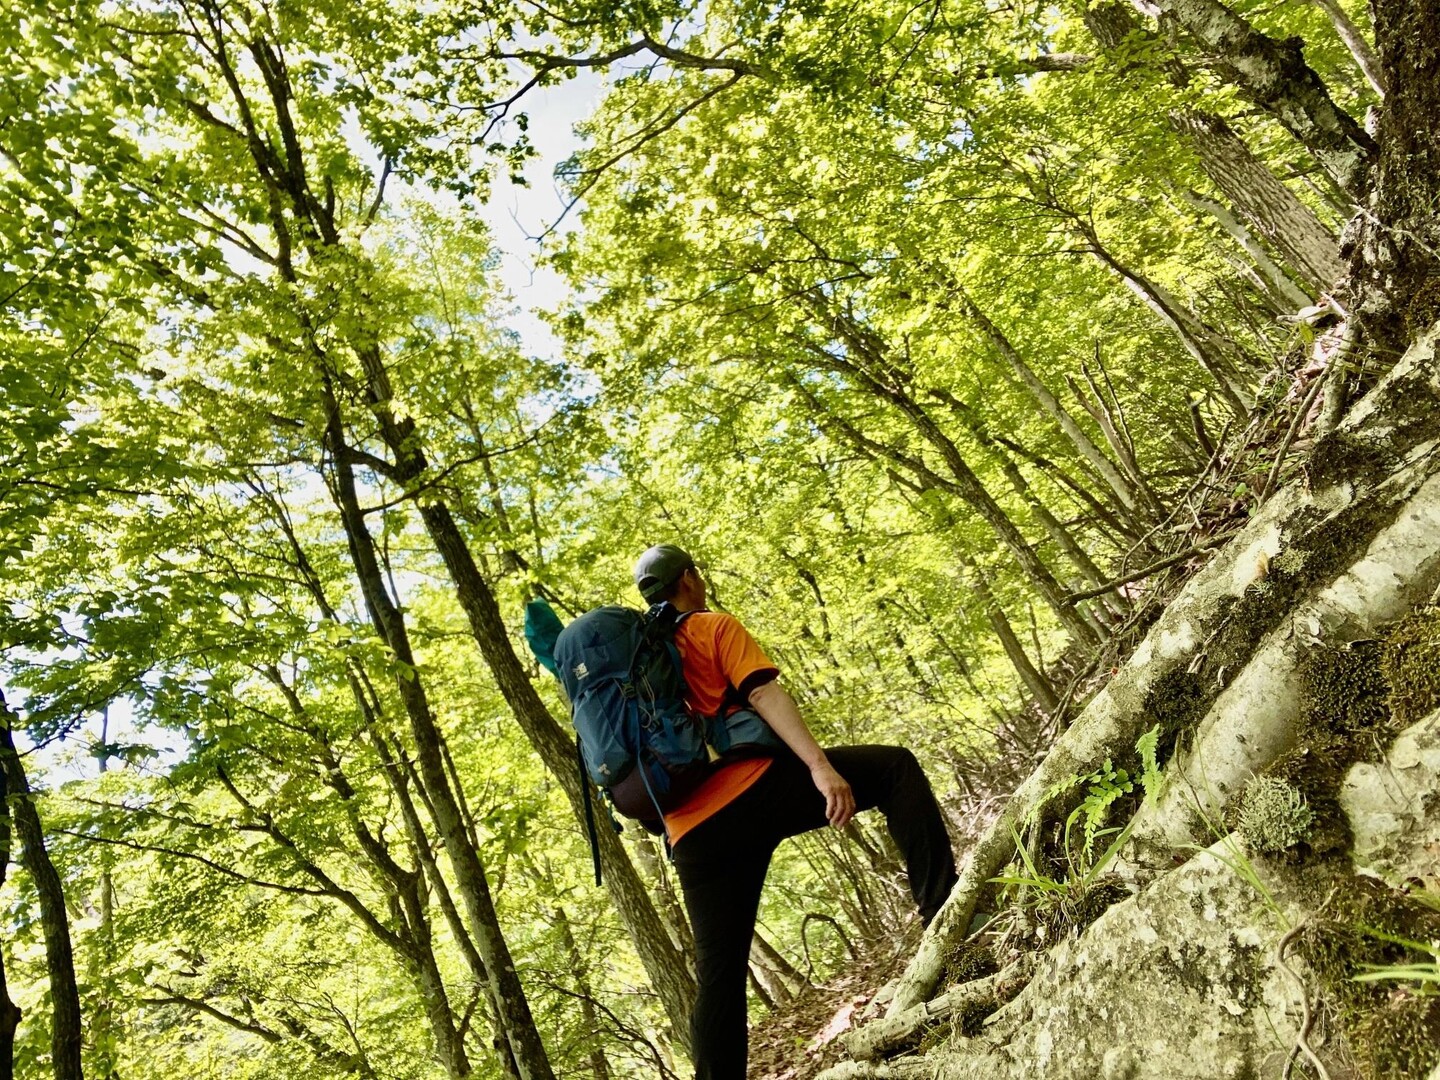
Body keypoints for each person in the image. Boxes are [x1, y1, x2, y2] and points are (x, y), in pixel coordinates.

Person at [632, 544, 959, 1080]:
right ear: (688, 578)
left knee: (720, 972)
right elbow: (763, 695)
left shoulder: (635, 669)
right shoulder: (710, 627)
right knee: (895, 769)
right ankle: (945, 914)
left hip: (691, 834)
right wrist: (820, 768)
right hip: (755, 788)